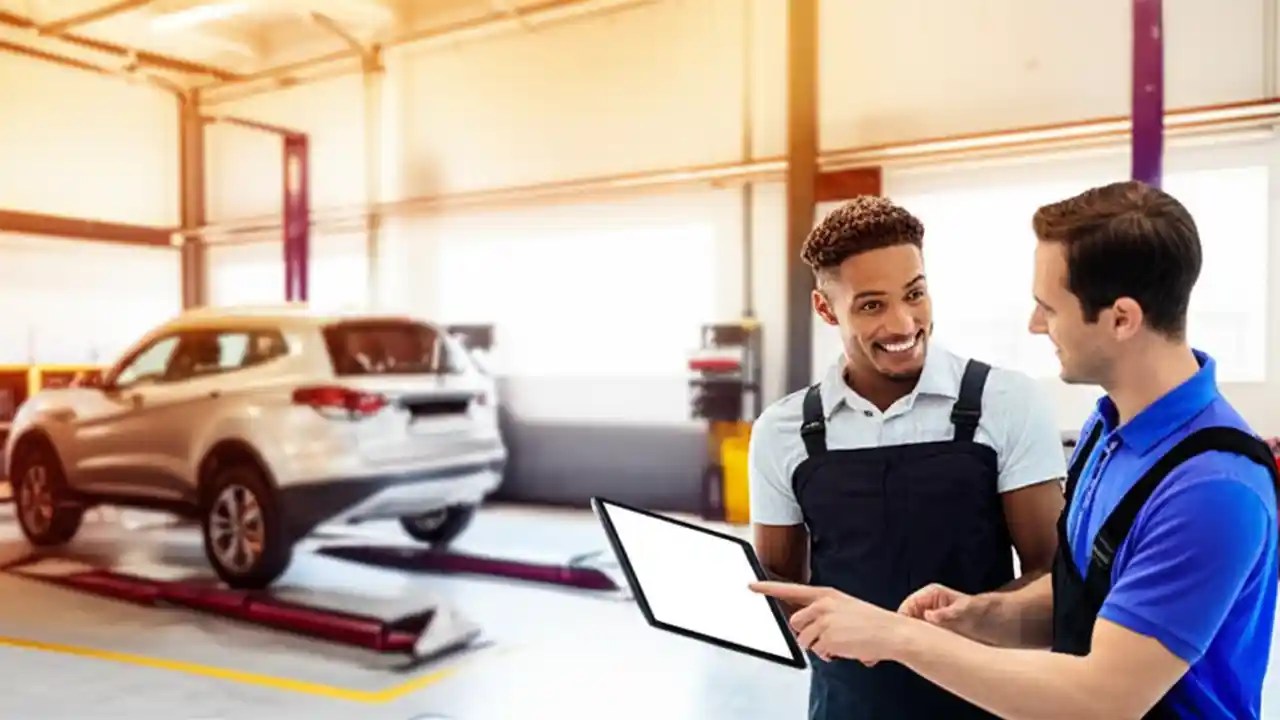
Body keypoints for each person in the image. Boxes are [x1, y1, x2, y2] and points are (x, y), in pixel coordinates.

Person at [751, 180, 1280, 720]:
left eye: (1048, 308)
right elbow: (1086, 601)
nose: (1033, 325)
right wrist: (982, 615)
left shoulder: (1211, 489)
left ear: (1121, 318)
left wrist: (897, 637)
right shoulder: (1107, 434)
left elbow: (1102, 701)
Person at [747, 195, 1070, 719]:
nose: (903, 324)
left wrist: (963, 620)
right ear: (826, 308)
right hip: (846, 707)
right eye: (871, 305)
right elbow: (780, 586)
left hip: (983, 705)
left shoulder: (1007, 402)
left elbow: (1053, 575)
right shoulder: (782, 432)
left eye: (915, 294)